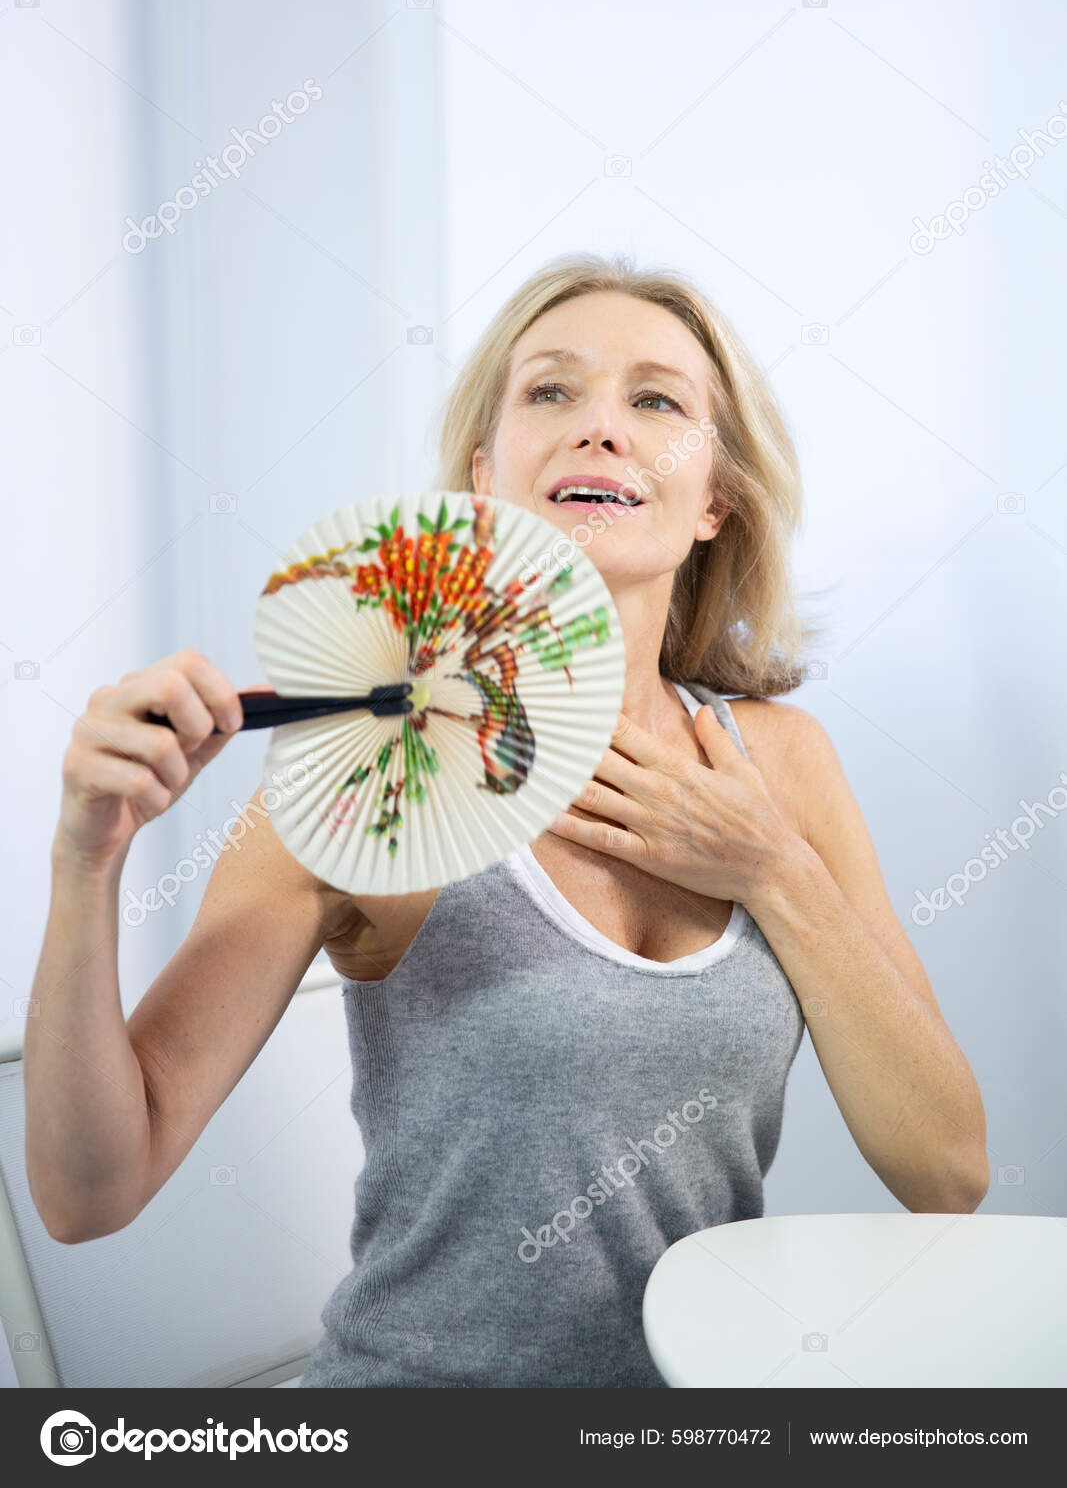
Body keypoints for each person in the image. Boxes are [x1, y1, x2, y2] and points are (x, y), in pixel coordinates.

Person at [25, 252, 989, 1389]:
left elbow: (946, 1171)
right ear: (484, 475)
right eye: (549, 391)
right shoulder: (360, 768)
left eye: (655, 400)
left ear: (714, 498)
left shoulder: (782, 764)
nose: (598, 427)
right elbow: (91, 1191)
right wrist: (87, 862)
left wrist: (771, 868)